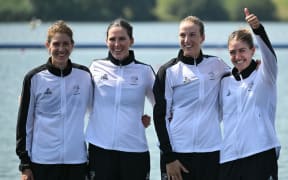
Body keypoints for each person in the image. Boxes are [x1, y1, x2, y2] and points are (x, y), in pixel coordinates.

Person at [153, 16, 230, 180]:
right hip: (177, 153)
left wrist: (255, 67)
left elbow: (240, 79)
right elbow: (160, 117)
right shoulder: (168, 71)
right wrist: (169, 156)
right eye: (182, 35)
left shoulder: (217, 65)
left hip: (211, 151)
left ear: (202, 37)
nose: (187, 40)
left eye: (192, 35)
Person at [16, 20, 94, 180]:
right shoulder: (34, 78)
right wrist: (25, 165)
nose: (61, 49)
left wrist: (138, 118)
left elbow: (100, 110)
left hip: (77, 161)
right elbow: (25, 124)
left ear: (72, 45)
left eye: (66, 44)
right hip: (42, 162)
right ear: (48, 45)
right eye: (56, 44)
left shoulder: (84, 75)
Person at [85, 18, 155, 180]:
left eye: (122, 38)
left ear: (131, 41)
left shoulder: (144, 71)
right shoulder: (95, 67)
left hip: (135, 151)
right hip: (100, 149)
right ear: (106, 41)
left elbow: (162, 107)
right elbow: (79, 100)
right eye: (112, 39)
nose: (117, 44)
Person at [219, 8, 281, 180]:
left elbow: (270, 56)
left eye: (242, 51)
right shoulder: (225, 82)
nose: (237, 56)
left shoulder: (265, 75)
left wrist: (258, 29)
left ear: (253, 50)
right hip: (229, 157)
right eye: (232, 52)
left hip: (261, 153)